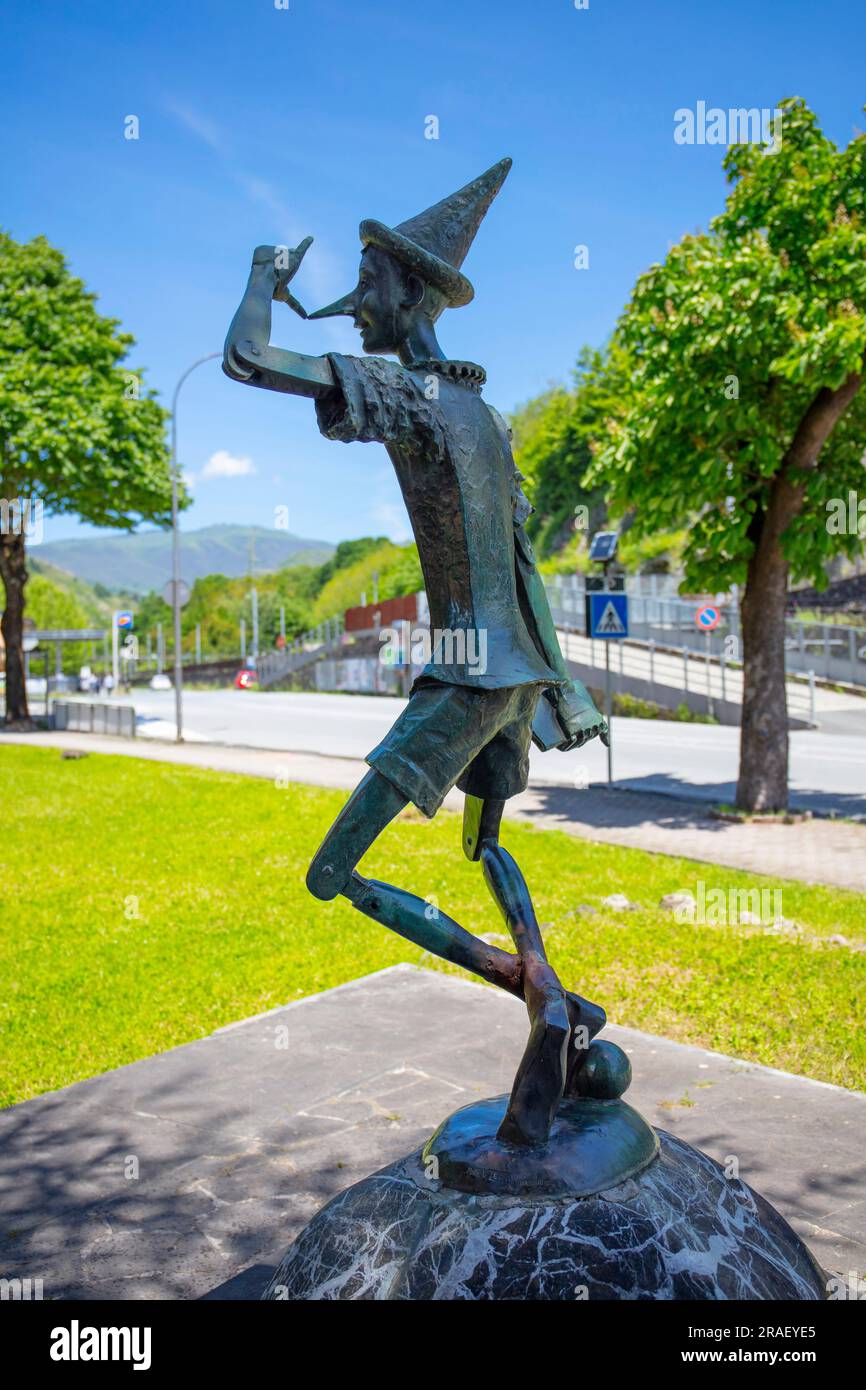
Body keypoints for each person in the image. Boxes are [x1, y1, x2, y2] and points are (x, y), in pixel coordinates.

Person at [224, 159, 608, 1145]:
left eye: (368, 283)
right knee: (485, 845)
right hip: (514, 677)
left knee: (332, 873)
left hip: (463, 679)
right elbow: (523, 562)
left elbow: (249, 358)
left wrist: (264, 277)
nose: (354, 303)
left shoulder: (401, 391)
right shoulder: (484, 412)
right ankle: (552, 994)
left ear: (409, 290)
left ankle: (527, 986)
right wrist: (561, 687)